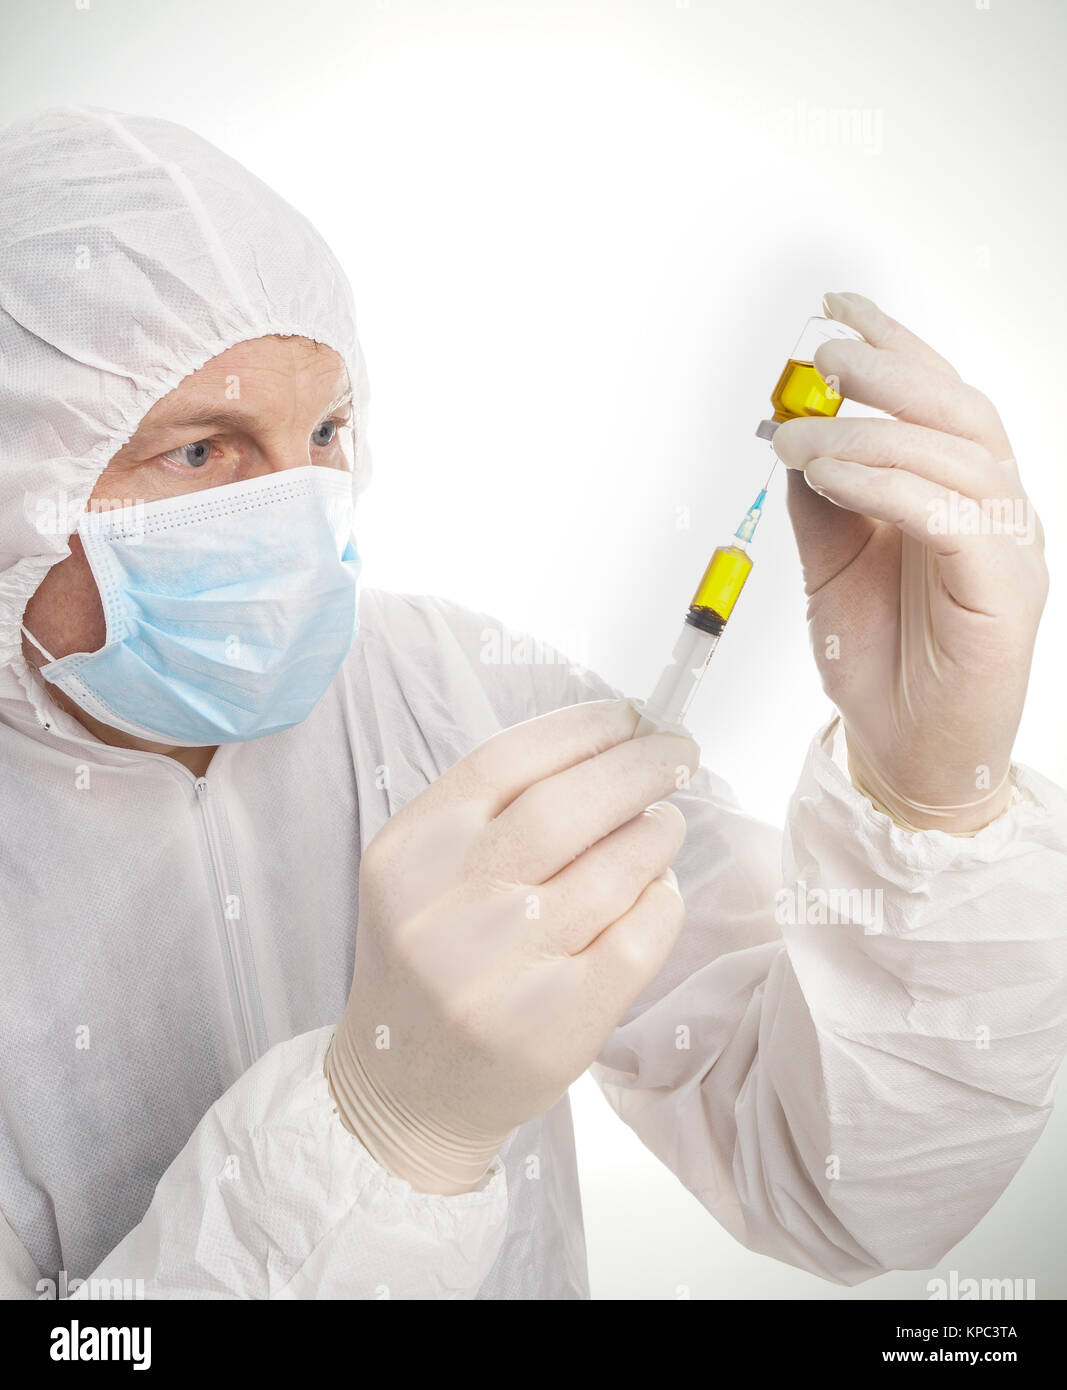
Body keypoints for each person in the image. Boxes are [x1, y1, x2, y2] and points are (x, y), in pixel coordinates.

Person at [0, 106, 1063, 1302]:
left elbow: (841, 1183)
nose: (298, 511)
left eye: (325, 432)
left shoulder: (455, 690)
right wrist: (381, 1133)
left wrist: (928, 795)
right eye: (203, 451)